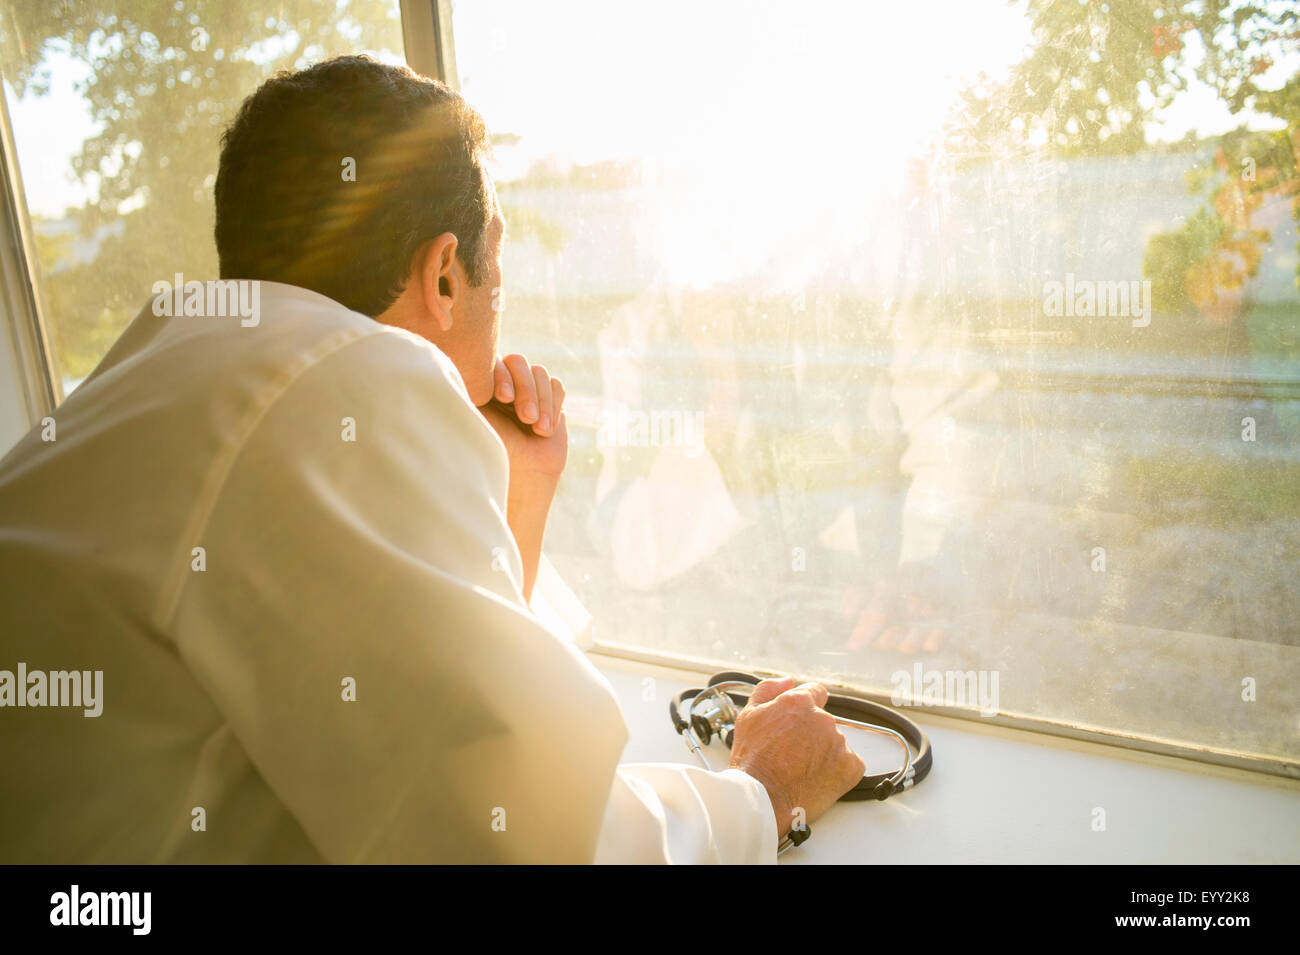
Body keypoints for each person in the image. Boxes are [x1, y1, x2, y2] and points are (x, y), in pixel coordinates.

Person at [0, 55, 863, 863]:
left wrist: (515, 505)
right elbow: (527, 846)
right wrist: (762, 789)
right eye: (498, 266)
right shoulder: (356, 377)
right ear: (445, 276)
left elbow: (405, 713)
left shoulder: (171, 359)